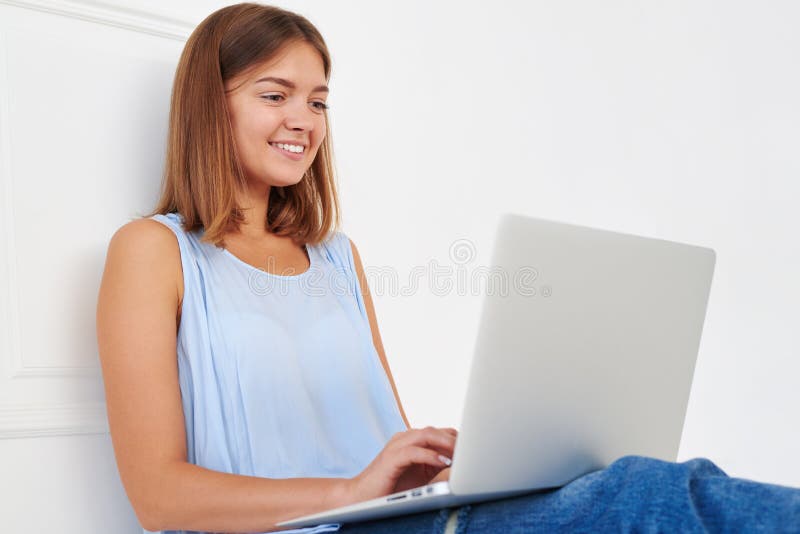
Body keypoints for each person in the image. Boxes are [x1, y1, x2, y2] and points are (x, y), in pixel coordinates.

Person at [95, 3, 800, 533]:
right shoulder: (153, 251)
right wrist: (349, 493)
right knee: (645, 498)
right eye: (275, 95)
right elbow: (158, 496)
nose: (303, 120)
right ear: (209, 104)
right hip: (321, 526)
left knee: (633, 482)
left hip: (394, 521)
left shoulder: (335, 255)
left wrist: (437, 467)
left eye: (318, 101)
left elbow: (382, 442)